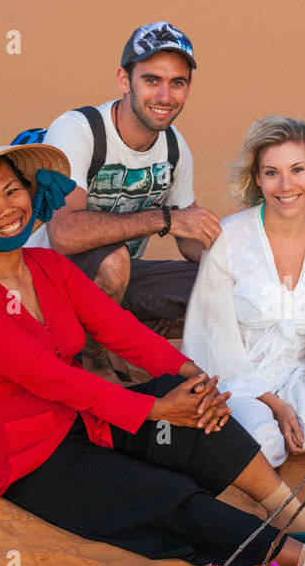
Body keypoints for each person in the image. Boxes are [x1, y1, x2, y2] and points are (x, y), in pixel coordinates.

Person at [0, 145, 305, 566]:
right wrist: (156, 409)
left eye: (12, 191)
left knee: (193, 408)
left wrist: (189, 373)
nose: (6, 209)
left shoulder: (46, 265)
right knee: (162, 496)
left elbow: (117, 327)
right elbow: (52, 378)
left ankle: (302, 520)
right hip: (29, 451)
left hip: (83, 414)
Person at [182, 117, 305, 548]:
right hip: (237, 377)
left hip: (301, 372)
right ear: (257, 177)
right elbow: (212, 340)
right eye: (272, 172)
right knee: (266, 445)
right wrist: (276, 405)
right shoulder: (229, 238)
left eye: (297, 169)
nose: (286, 185)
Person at [27, 22, 222, 377]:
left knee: (219, 286)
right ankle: (92, 367)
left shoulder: (175, 148)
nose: (165, 96)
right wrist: (163, 219)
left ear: (188, 88)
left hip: (115, 288)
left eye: (176, 82)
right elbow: (64, 233)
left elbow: (191, 240)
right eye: (151, 80)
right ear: (123, 80)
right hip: (44, 286)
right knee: (114, 262)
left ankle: (123, 337)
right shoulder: (78, 130)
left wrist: (248, 257)